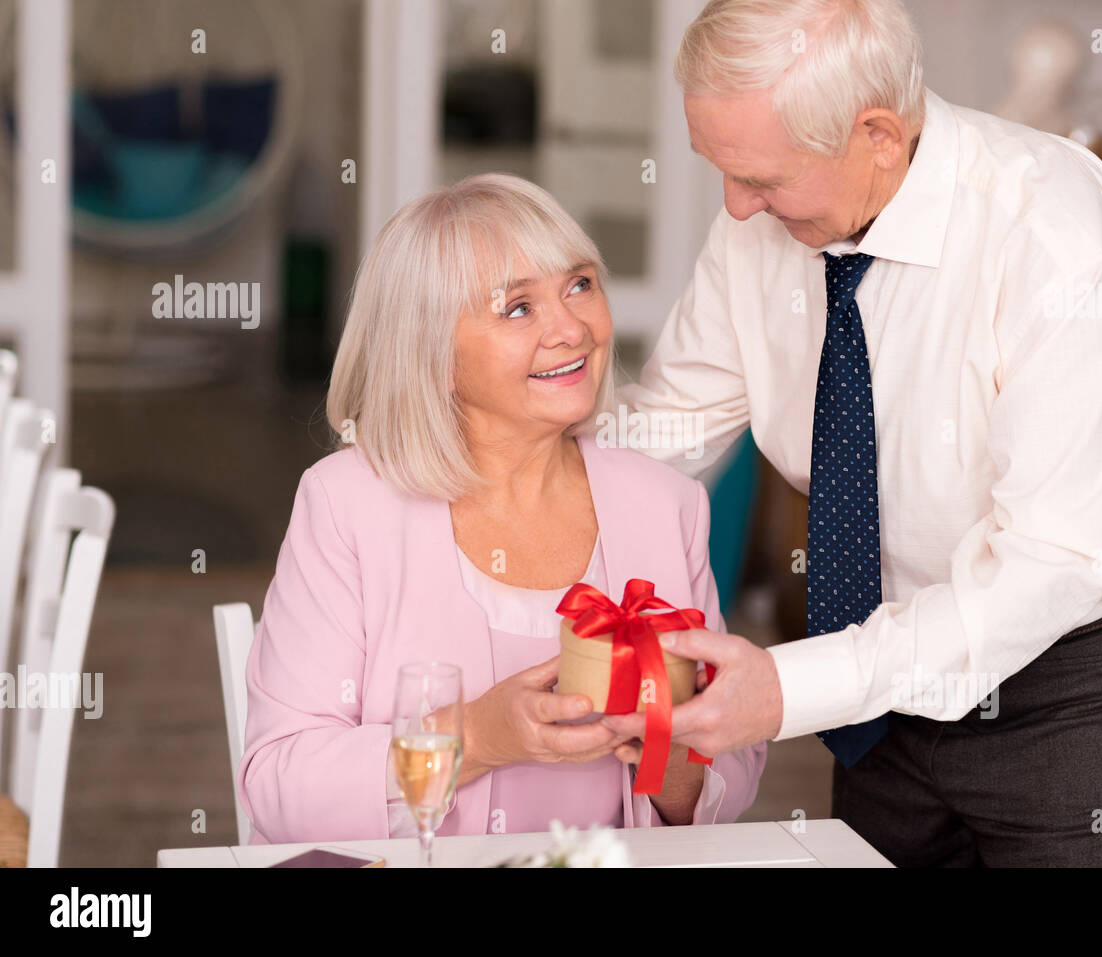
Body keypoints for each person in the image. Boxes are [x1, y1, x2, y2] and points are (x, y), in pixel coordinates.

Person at [604, 0, 1102, 866]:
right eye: (723, 174)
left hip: (1076, 660)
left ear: (879, 135)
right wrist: (493, 463)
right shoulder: (762, 225)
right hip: (882, 639)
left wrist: (789, 686)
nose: (736, 210)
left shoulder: (1055, 236)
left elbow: (1049, 560)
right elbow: (669, 427)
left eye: (763, 180)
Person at [239, 173, 765, 844]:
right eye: (518, 307)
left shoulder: (667, 505)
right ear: (434, 354)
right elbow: (280, 784)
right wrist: (479, 735)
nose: (571, 327)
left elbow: (733, 775)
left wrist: (667, 743)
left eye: (579, 283)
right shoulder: (346, 506)